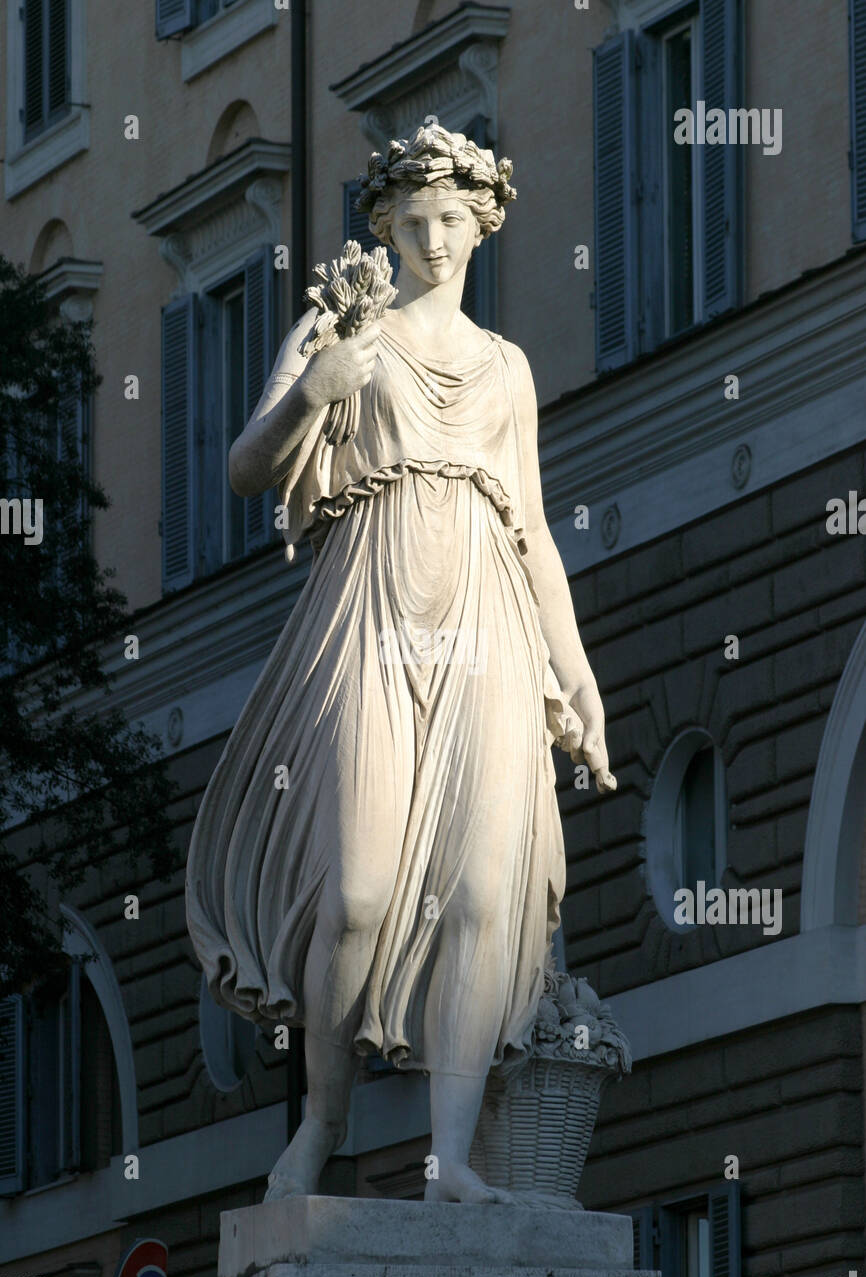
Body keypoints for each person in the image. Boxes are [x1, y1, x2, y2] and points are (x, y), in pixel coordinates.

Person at [186, 117, 615, 1205]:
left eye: (453, 220)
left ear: (481, 228)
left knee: (478, 890)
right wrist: (315, 388)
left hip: (484, 613)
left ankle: (452, 1162)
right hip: (368, 607)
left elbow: (536, 532)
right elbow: (246, 468)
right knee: (363, 889)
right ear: (385, 223)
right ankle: (321, 1123)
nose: (434, 237)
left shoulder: (506, 370)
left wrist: (577, 676)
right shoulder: (346, 327)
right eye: (413, 218)